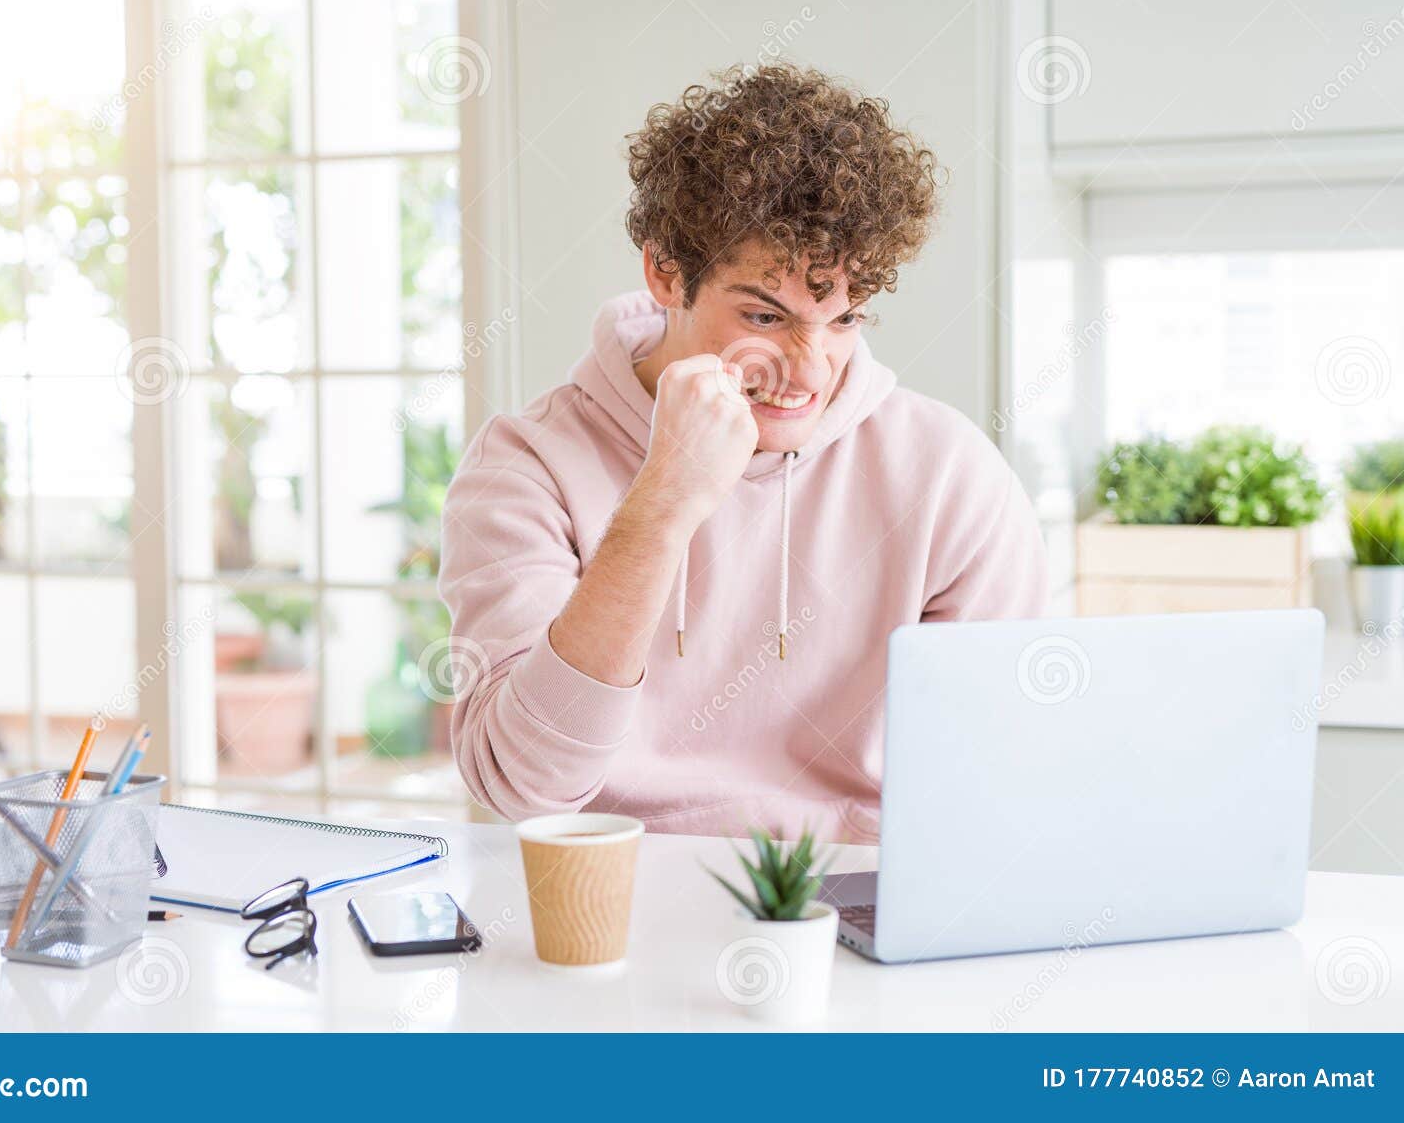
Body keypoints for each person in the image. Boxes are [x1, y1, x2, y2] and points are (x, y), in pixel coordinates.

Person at [438, 63, 1047, 842]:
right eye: (766, 315)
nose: (810, 368)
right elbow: (524, 784)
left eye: (845, 319)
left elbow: (1004, 772)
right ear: (666, 273)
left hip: (857, 903)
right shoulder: (526, 466)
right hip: (613, 901)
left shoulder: (948, 473)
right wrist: (662, 505)